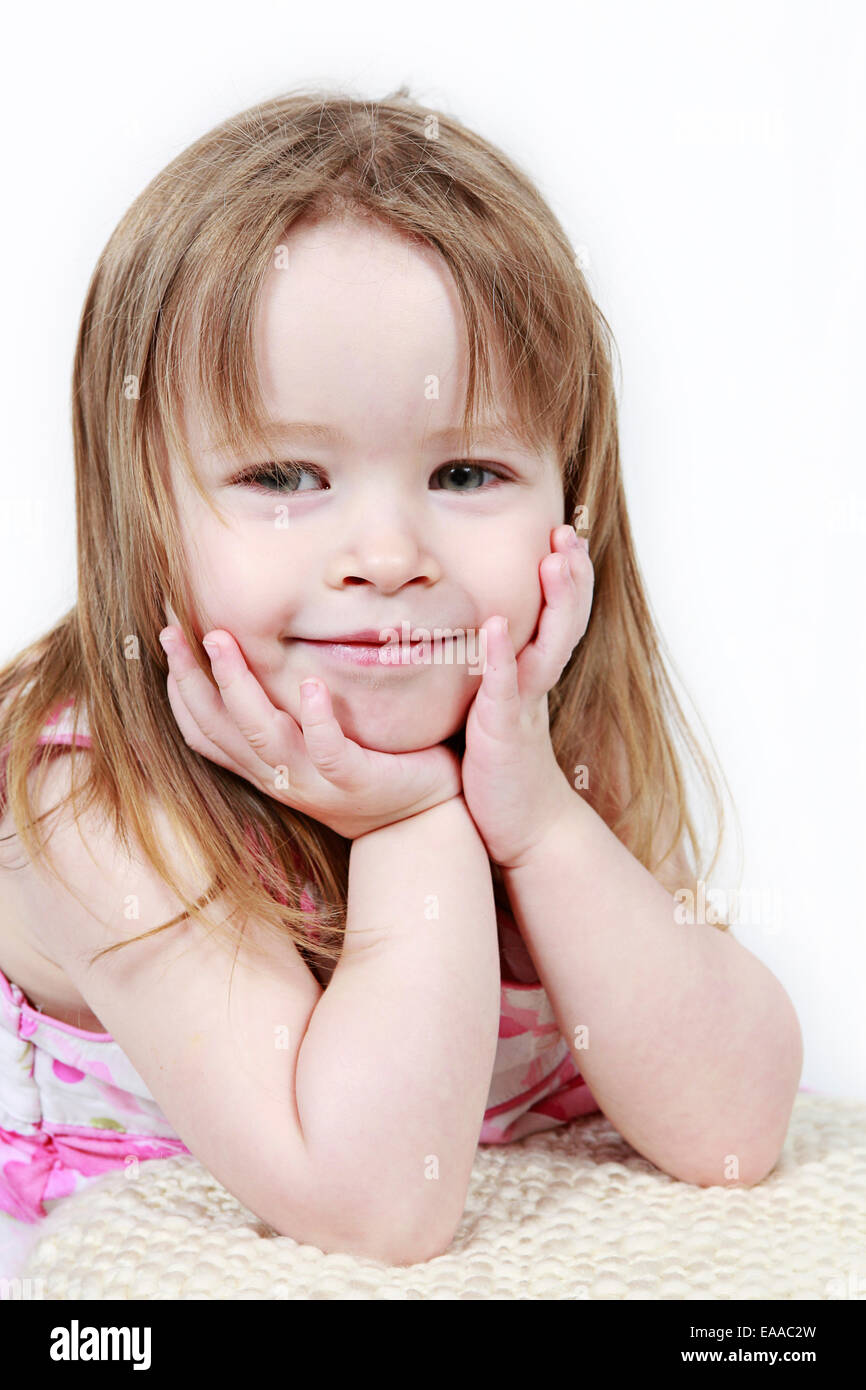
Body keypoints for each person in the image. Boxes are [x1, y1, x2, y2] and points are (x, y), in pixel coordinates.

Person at [0, 84, 803, 1278]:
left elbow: (733, 1134)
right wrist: (413, 821)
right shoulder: (96, 808)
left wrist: (537, 828)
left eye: (468, 472)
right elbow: (376, 1209)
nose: (385, 558)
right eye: (281, 475)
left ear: (569, 501)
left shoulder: (540, 735)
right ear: (142, 514)